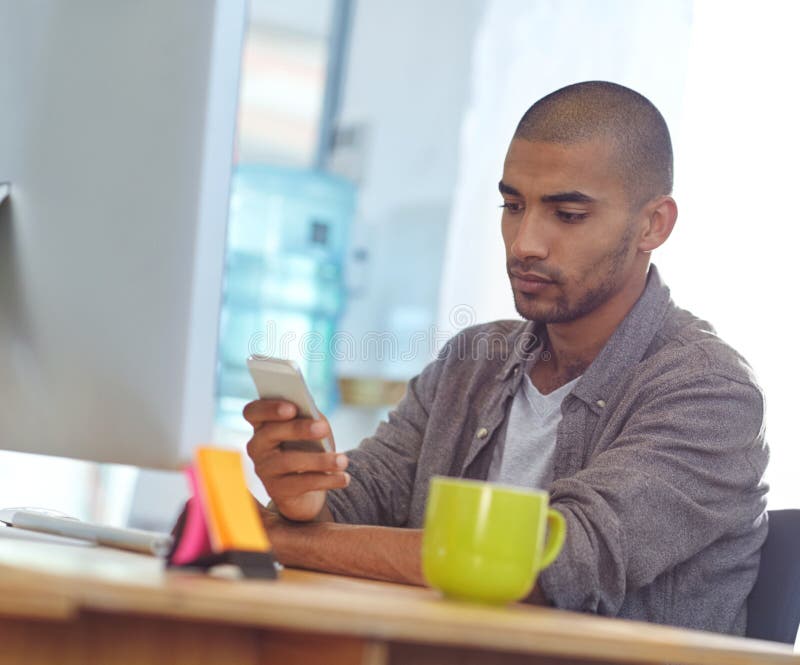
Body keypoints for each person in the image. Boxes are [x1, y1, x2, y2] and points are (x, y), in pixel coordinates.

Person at [243, 81, 769, 635]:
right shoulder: (474, 359)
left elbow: (547, 566)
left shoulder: (711, 393)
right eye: (513, 206)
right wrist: (306, 497)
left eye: (567, 214)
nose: (524, 243)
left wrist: (277, 535)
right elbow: (365, 500)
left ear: (652, 225)